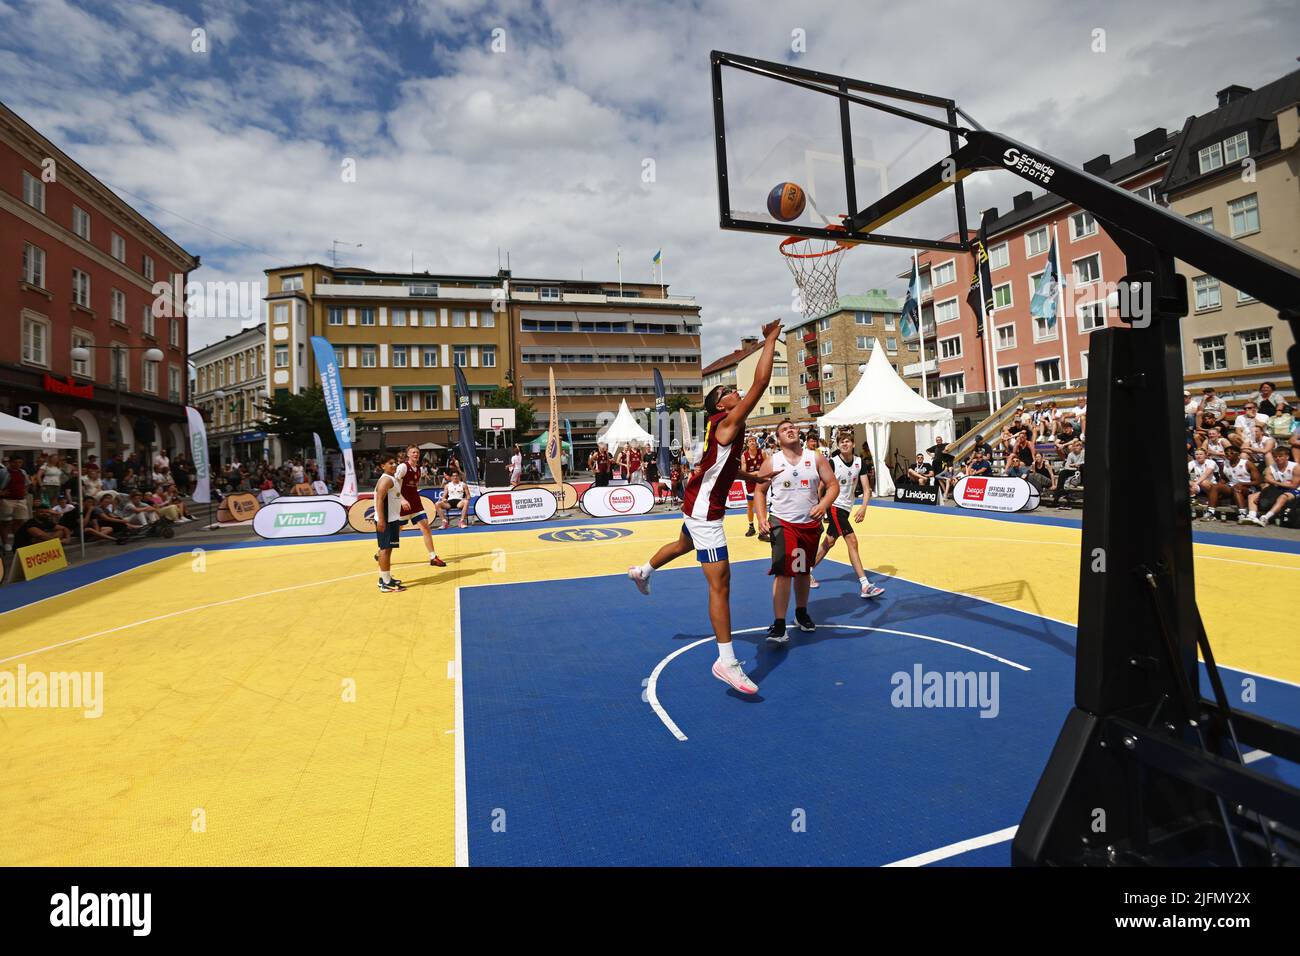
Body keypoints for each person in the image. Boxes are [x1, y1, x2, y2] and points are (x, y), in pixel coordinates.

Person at [626, 319, 783, 695]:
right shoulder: (728, 422)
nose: (735, 392)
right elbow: (761, 384)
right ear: (720, 405)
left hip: (698, 504)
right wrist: (770, 341)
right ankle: (726, 661)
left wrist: (752, 478)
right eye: (729, 391)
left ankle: (642, 570)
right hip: (705, 512)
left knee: (683, 545)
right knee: (721, 584)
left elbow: (723, 468)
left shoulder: (722, 429)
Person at [752, 419, 840, 644]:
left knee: (802, 570)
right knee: (784, 571)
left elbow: (833, 485)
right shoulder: (772, 462)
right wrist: (762, 518)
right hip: (783, 523)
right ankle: (779, 624)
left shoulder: (815, 457)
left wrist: (823, 505)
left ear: (798, 432)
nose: (789, 430)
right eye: (783, 429)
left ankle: (801, 613)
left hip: (808, 525)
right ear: (778, 438)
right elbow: (759, 492)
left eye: (792, 427)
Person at [807, 431, 884, 599]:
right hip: (834, 506)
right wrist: (820, 506)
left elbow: (866, 489)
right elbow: (821, 487)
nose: (844, 444)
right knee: (852, 541)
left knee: (829, 541)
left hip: (847, 508)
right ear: (838, 445)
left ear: (853, 444)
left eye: (847, 441)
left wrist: (863, 507)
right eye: (841, 442)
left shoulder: (859, 462)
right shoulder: (833, 462)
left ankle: (807, 571)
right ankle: (865, 584)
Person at [383, 446, 446, 567]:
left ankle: (433, 557)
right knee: (396, 532)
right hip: (402, 505)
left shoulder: (418, 469)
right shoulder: (402, 467)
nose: (416, 454)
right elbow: (393, 484)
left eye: (417, 452)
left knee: (426, 528)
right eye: (413, 452)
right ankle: (382, 552)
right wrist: (401, 499)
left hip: (416, 504)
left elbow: (414, 486)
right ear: (408, 454)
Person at [373, 453, 406, 592]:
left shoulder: (391, 479)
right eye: (390, 463)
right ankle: (385, 583)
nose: (394, 465)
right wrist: (381, 519)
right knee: (385, 550)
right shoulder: (386, 480)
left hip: (392, 519)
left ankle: (384, 577)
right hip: (386, 520)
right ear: (382, 466)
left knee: (388, 549)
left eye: (394, 463)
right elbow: (379, 500)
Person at [1242, 447, 1300, 527]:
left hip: (1295, 490)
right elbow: (1267, 484)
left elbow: (1294, 486)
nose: (1277, 458)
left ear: (1287, 457)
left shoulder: (1295, 467)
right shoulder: (1270, 468)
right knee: (1252, 496)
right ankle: (1252, 516)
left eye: (1280, 456)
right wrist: (1262, 494)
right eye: (1275, 456)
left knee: (1283, 497)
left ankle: (1266, 518)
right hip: (1277, 489)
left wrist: (1274, 482)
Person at [741, 434, 766, 538]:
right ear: (747, 444)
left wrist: (760, 473)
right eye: (750, 441)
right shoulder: (744, 456)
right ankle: (751, 527)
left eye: (753, 441)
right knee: (750, 506)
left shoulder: (762, 453)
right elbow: (743, 473)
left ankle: (763, 531)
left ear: (756, 443)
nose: (752, 442)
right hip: (750, 483)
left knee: (762, 506)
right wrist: (756, 473)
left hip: (761, 482)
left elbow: (767, 467)